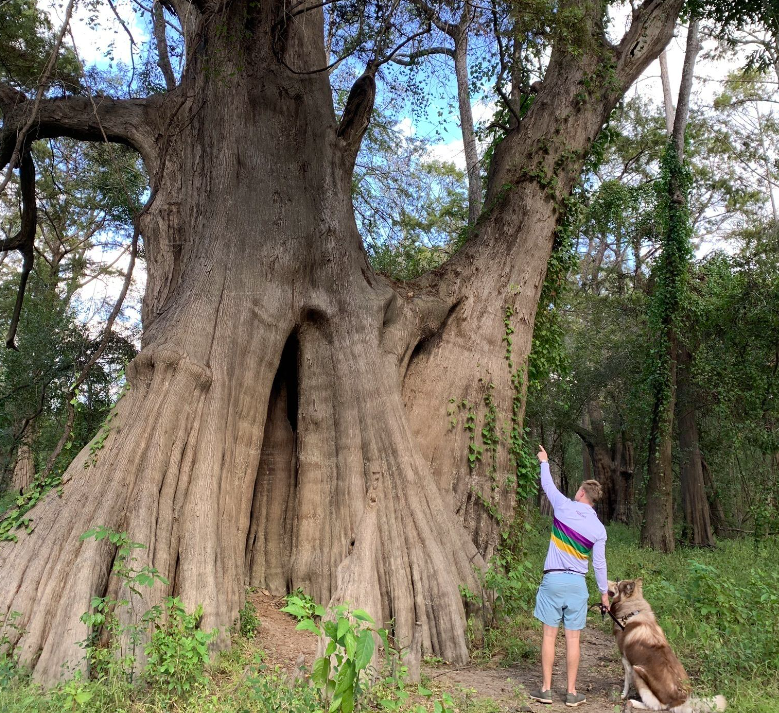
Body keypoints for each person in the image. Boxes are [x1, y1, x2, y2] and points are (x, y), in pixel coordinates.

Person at [529, 445, 610, 708]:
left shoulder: (563, 506)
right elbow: (599, 564)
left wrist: (544, 461)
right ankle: (572, 693)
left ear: (581, 493)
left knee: (549, 636)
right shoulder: (598, 529)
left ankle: (546, 690)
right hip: (577, 585)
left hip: (553, 580)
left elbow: (548, 485)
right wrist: (603, 594)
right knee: (573, 639)